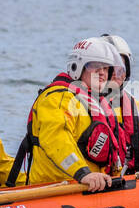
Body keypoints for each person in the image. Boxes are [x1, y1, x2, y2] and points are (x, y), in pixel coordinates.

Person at [7, 37, 127, 191]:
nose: (102, 73)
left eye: (106, 68)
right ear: (78, 67)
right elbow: (56, 138)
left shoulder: (95, 104)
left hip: (89, 186)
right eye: (95, 67)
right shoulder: (58, 98)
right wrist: (83, 173)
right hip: (57, 188)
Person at [98, 33, 139, 176]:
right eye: (112, 69)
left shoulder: (137, 107)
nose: (117, 74)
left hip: (136, 183)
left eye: (121, 69)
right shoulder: (84, 106)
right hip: (104, 184)